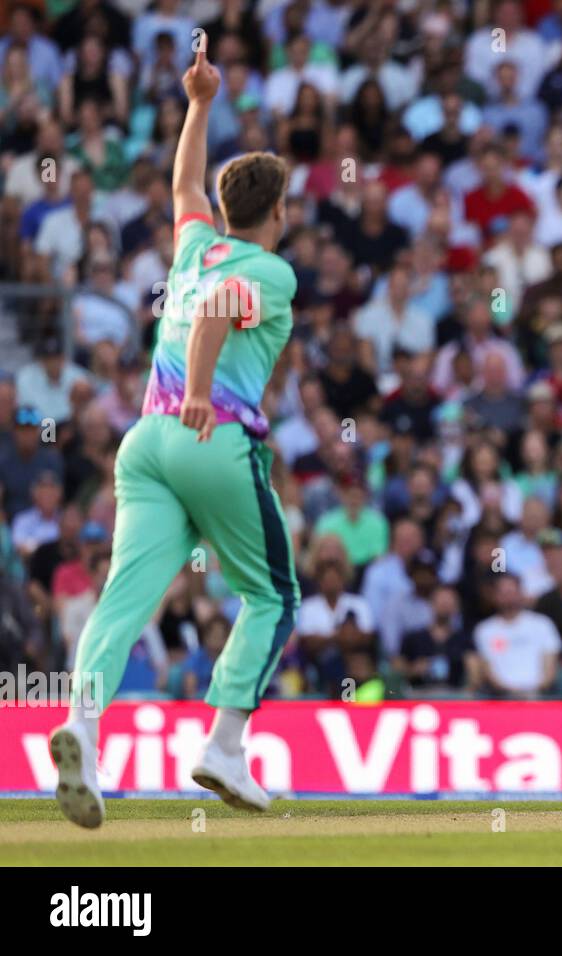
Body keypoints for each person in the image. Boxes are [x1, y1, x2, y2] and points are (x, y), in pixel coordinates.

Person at [51, 45, 300, 828]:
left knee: (123, 600)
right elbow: (225, 312)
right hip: (209, 438)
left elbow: (184, 183)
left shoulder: (195, 246)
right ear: (278, 214)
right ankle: (225, 746)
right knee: (273, 595)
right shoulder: (269, 271)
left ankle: (82, 733)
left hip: (146, 443)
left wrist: (198, 103)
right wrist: (199, 390)